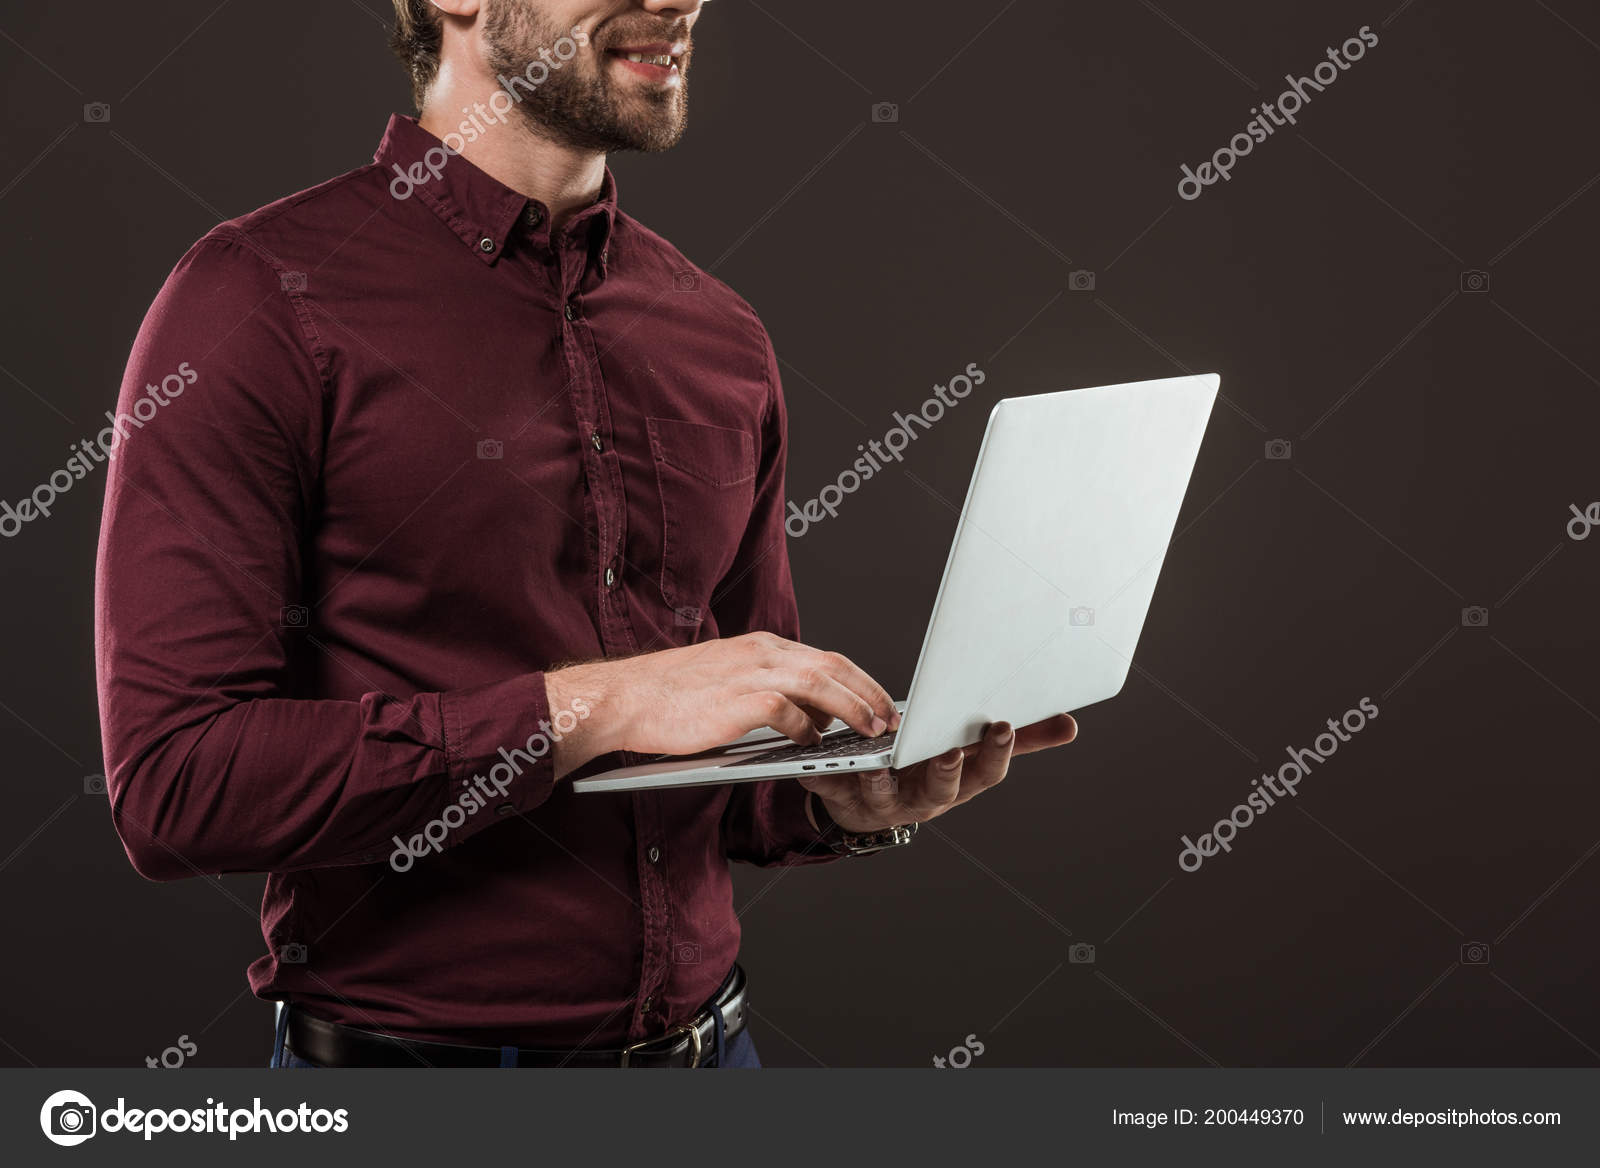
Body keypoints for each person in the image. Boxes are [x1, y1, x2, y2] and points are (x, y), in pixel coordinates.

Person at [94, 0, 1079, 1069]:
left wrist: (844, 800)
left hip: (716, 1060)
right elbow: (174, 785)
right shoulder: (253, 301)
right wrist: (591, 703)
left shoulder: (720, 334)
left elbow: (729, 758)